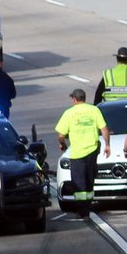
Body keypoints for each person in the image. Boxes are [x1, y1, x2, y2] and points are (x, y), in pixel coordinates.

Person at [54, 87, 109, 217]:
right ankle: (88, 206)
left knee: (78, 182)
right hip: (92, 150)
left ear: (74, 99)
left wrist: (62, 144)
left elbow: (61, 135)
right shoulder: (94, 110)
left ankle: (82, 210)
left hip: (77, 152)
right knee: (89, 179)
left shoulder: (69, 113)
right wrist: (108, 145)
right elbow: (104, 129)